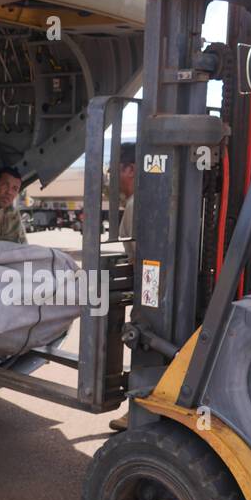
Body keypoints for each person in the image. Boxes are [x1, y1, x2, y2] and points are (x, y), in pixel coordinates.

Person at [108, 142, 138, 433]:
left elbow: (143, 258)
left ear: (129, 170)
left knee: (145, 339)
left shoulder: (135, 204)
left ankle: (141, 409)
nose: (108, 178)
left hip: (154, 290)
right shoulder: (138, 201)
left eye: (112, 171)